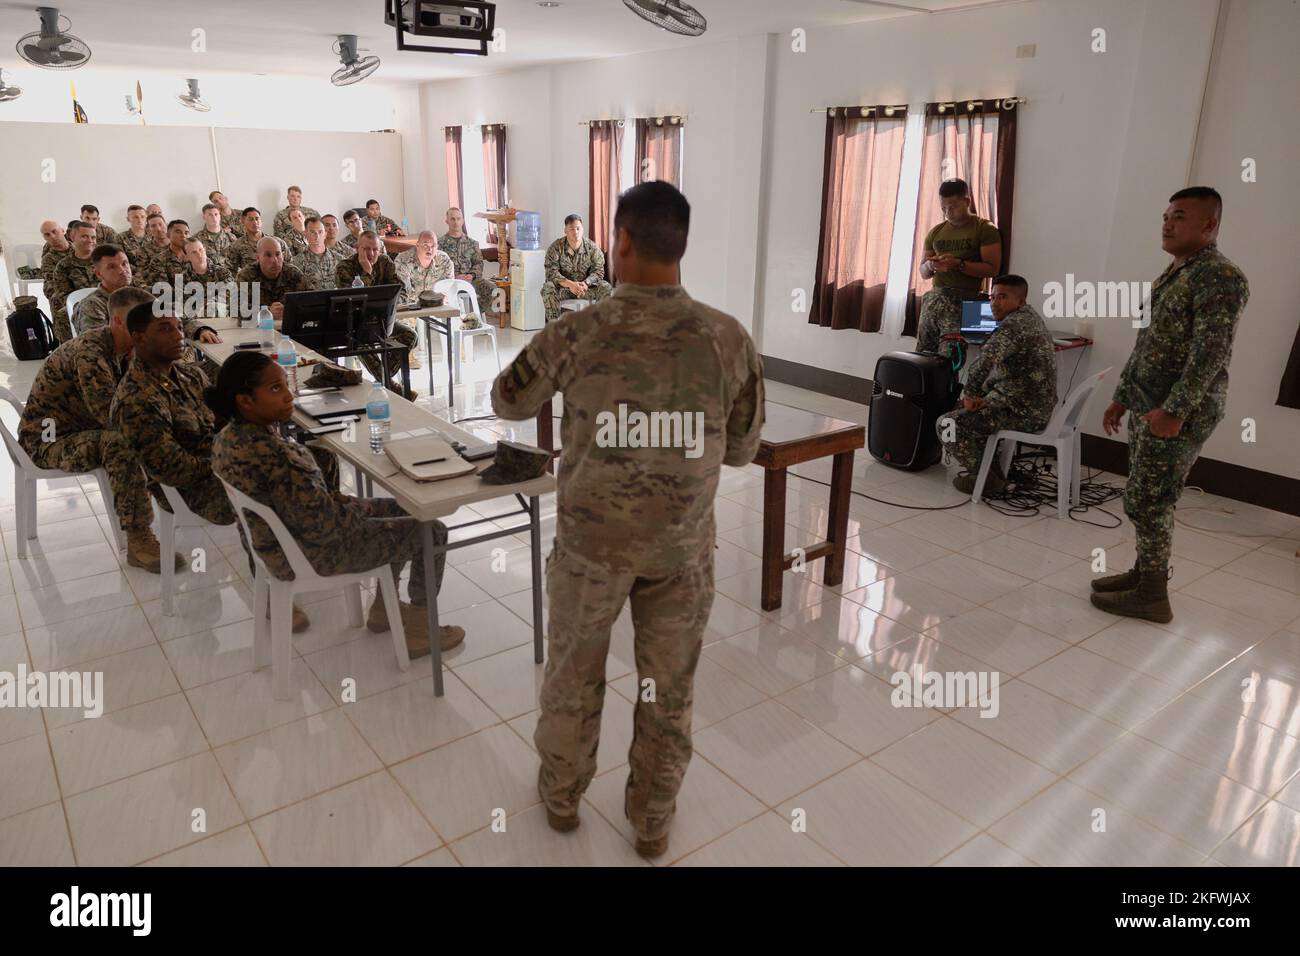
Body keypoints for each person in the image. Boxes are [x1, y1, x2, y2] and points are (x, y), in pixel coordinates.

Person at [491, 181, 765, 858]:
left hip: (591, 550)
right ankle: (651, 821)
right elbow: (741, 450)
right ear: (682, 245)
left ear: (620, 242)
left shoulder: (577, 331)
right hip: (681, 553)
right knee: (666, 689)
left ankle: (561, 798)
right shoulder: (727, 338)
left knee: (573, 676)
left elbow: (507, 402)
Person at [207, 351, 465, 658]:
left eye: (284, 385)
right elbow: (325, 529)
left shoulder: (229, 438)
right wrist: (359, 513)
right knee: (431, 530)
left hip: (281, 543)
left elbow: (302, 506)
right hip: (313, 552)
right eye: (275, 389)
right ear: (245, 401)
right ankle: (422, 632)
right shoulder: (277, 456)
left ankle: (385, 609)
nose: (289, 395)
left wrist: (347, 504)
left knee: (405, 509)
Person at [1091, 187, 1249, 624]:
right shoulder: (1175, 272)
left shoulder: (1220, 276)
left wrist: (1176, 411)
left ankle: (1152, 595)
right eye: (1165, 215)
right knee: (1144, 496)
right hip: (1148, 404)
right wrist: (1122, 397)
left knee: (1150, 499)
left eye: (1179, 216)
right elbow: (1148, 344)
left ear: (1209, 225)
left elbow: (1209, 353)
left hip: (1178, 411)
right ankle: (1144, 574)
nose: (1167, 223)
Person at [111, 303, 316, 631]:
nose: (179, 335)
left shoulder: (190, 373)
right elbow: (170, 467)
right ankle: (272, 592)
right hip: (191, 487)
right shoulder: (136, 399)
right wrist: (235, 464)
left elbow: (224, 418)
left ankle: (311, 550)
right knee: (261, 493)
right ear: (138, 338)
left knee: (316, 460)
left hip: (221, 461)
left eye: (179, 326)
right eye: (165, 329)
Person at [19, 286, 178, 572]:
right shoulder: (91, 352)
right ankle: (139, 540)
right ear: (117, 321)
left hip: (83, 426)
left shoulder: (133, 347)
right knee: (121, 442)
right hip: (48, 439)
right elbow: (111, 416)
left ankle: (180, 501)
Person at [936, 275, 1056, 495]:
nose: (994, 303)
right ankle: (993, 472)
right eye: (992, 297)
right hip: (1030, 404)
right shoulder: (1030, 317)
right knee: (959, 412)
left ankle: (987, 478)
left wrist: (971, 395)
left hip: (1023, 411)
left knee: (947, 424)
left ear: (1020, 301)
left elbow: (983, 362)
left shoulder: (1013, 326)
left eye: (1002, 297)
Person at [914, 178, 1003, 353]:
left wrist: (958, 264)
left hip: (966, 301)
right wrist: (931, 267)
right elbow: (923, 272)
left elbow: (993, 269)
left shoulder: (984, 228)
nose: (949, 212)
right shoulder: (936, 232)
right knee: (923, 355)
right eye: (944, 208)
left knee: (951, 357)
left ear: (966, 202)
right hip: (935, 299)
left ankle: (949, 382)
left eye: (953, 207)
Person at [336, 231, 418, 395]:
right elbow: (352, 299)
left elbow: (400, 291)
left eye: (375, 249)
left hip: (381, 320)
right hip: (355, 324)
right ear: (357, 248)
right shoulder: (344, 267)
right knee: (361, 341)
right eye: (366, 249)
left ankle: (383, 379)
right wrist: (367, 272)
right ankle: (387, 382)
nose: (371, 253)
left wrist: (391, 305)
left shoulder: (385, 262)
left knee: (411, 336)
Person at [541, 214, 611, 323]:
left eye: (578, 228)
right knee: (548, 287)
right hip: (564, 289)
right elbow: (551, 272)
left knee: (605, 286)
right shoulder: (556, 247)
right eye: (572, 229)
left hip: (586, 289)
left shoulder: (592, 248)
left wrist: (586, 283)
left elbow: (598, 271)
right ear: (565, 230)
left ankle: (601, 326)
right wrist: (571, 284)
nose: (576, 232)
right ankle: (554, 326)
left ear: (582, 229)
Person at [235, 237, 310, 326]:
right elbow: (237, 311)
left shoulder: (293, 273)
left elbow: (311, 302)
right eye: (268, 255)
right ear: (258, 258)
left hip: (287, 328)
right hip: (257, 330)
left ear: (283, 255)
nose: (274, 260)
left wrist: (289, 310)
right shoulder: (246, 276)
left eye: (278, 254)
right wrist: (267, 312)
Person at [46, 221, 99, 343]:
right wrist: (87, 307)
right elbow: (64, 295)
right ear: (72, 237)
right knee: (62, 316)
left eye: (93, 237)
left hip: (109, 302)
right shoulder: (64, 266)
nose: (90, 240)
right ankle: (72, 351)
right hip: (80, 305)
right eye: (84, 236)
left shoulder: (105, 259)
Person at [439, 207, 498, 310]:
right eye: (452, 219)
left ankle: (475, 314)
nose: (456, 222)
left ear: (463, 221)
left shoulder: (472, 243)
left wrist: (471, 275)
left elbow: (478, 263)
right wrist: (455, 276)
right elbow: (438, 266)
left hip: (472, 280)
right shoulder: (440, 244)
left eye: (458, 218)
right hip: (451, 281)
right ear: (447, 221)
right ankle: (458, 316)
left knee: (493, 289)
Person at [72, 245, 134, 335]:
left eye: (125, 263)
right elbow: (96, 345)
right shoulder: (92, 306)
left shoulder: (136, 296)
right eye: (112, 267)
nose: (122, 270)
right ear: (98, 274)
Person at [393, 230, 454, 307]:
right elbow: (403, 293)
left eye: (433, 246)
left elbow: (448, 287)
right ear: (417, 245)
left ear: (437, 247)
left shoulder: (444, 260)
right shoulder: (403, 260)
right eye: (425, 245)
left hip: (437, 305)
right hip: (411, 307)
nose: (430, 249)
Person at [226, 207, 289, 275]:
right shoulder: (237, 245)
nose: (255, 222)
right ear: (243, 221)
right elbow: (230, 270)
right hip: (252, 283)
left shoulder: (276, 242)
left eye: (257, 219)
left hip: (275, 282)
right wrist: (242, 283)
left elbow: (289, 264)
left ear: (261, 221)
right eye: (251, 219)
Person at [293, 216, 344, 291]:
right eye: (312, 232)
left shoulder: (340, 259)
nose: (317, 236)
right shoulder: (297, 262)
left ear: (325, 234)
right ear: (305, 234)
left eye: (320, 232)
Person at [143, 219, 191, 288]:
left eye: (186, 233)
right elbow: (163, 290)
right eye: (178, 232)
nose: (183, 235)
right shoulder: (158, 260)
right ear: (168, 235)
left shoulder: (196, 255)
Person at [116, 205, 154, 269]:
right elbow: (121, 261)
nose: (140, 220)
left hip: (157, 273)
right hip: (134, 274)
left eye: (142, 217)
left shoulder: (154, 235)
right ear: (128, 219)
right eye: (136, 217)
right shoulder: (120, 238)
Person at [196, 203, 235, 268]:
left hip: (230, 275)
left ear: (220, 216)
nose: (214, 218)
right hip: (208, 276)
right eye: (210, 215)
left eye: (216, 214)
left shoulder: (231, 237)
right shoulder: (197, 239)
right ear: (204, 217)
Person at [38, 220, 72, 287]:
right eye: (47, 235)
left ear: (62, 230)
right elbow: (55, 282)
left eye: (54, 231)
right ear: (44, 238)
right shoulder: (48, 259)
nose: (52, 236)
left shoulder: (79, 249)